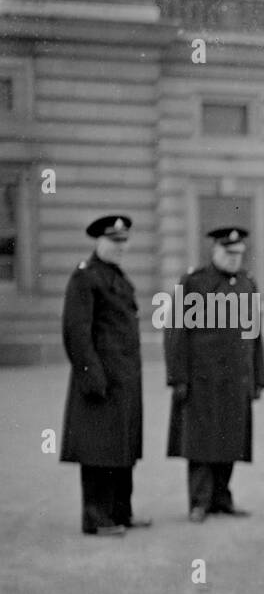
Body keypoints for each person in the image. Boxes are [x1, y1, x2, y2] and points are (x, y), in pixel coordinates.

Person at [164, 226, 264, 523]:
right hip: (202, 379)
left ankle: (222, 498)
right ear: (216, 252)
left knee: (231, 440)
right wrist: (178, 377)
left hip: (236, 379)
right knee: (201, 442)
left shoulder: (247, 284)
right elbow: (175, 333)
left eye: (239, 254)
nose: (234, 259)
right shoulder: (194, 282)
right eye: (228, 254)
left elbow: (255, 334)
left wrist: (258, 377)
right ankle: (199, 502)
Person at [59, 215, 149, 536]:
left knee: (121, 449)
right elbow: (76, 333)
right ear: (99, 242)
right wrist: (92, 378)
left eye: (124, 241)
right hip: (100, 384)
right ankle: (97, 519)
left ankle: (121, 514)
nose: (120, 247)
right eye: (114, 241)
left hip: (123, 384)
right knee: (98, 453)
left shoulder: (117, 278)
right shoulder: (86, 278)